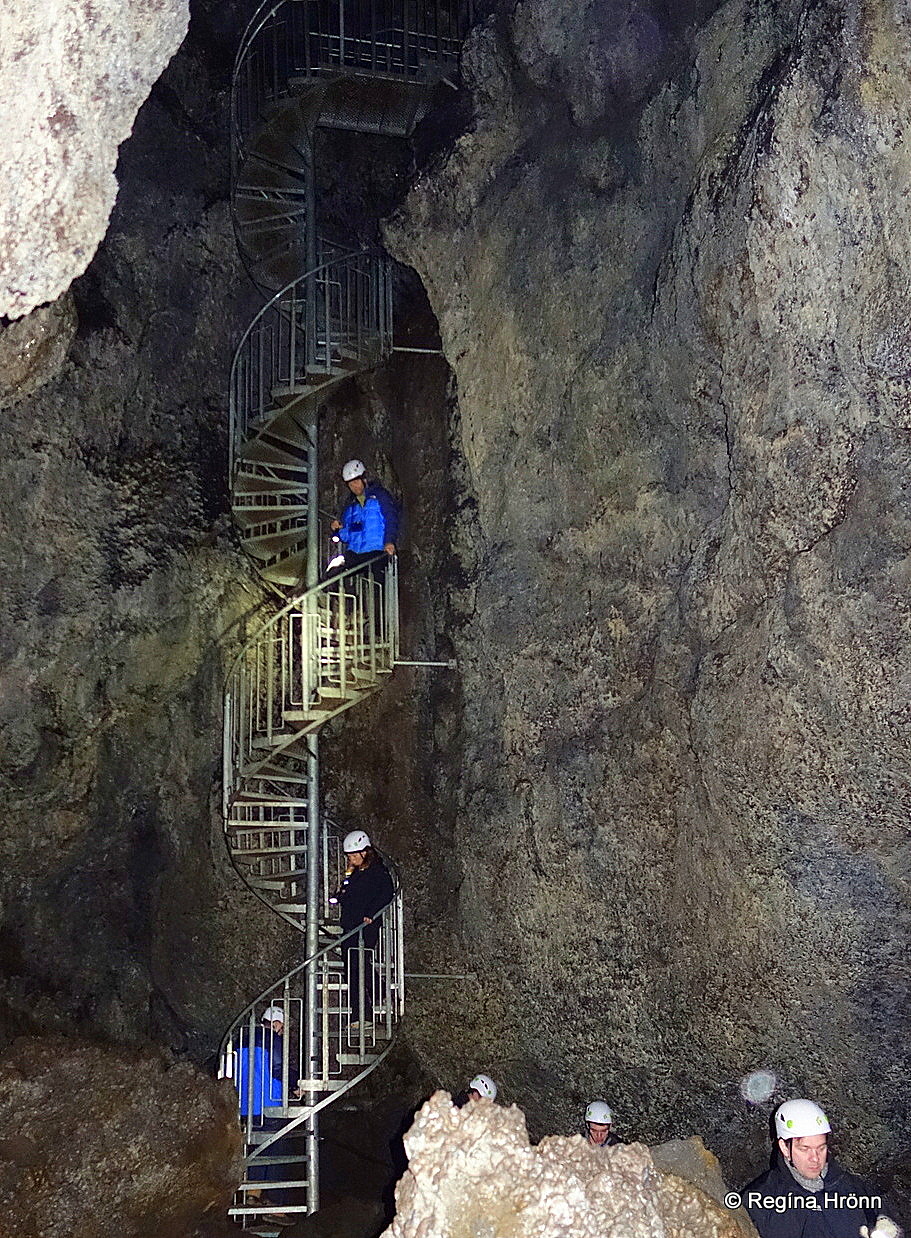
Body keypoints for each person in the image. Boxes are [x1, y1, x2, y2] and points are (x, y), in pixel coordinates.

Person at [741, 1099, 900, 1238]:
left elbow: (892, 1228)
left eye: (821, 1148)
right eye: (804, 1149)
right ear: (784, 1147)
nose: (815, 1158)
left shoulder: (855, 1189)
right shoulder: (758, 1201)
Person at [234, 1005, 295, 1225]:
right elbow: (279, 1068)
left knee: (257, 1151)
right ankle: (275, 1205)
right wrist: (296, 1083)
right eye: (283, 1027)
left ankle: (253, 1195)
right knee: (277, 1155)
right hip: (270, 1106)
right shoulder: (272, 1039)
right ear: (277, 1023)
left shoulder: (241, 1038)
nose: (282, 1031)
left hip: (245, 1108)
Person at [333, 829, 394, 1031]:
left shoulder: (377, 872)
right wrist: (340, 896)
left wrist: (371, 912)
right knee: (355, 967)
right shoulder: (356, 874)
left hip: (364, 927)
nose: (351, 859)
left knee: (356, 968)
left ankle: (362, 1014)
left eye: (353, 855)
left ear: (365, 852)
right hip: (350, 926)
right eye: (349, 856)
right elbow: (350, 895)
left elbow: (387, 893)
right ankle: (379, 992)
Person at [329, 459, 399, 572]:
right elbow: (348, 534)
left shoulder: (380, 495)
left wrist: (389, 541)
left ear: (363, 479)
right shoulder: (349, 506)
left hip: (377, 550)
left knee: (377, 580)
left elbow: (391, 519)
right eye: (350, 485)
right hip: (355, 553)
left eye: (356, 482)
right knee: (333, 570)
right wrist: (337, 530)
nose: (354, 487)